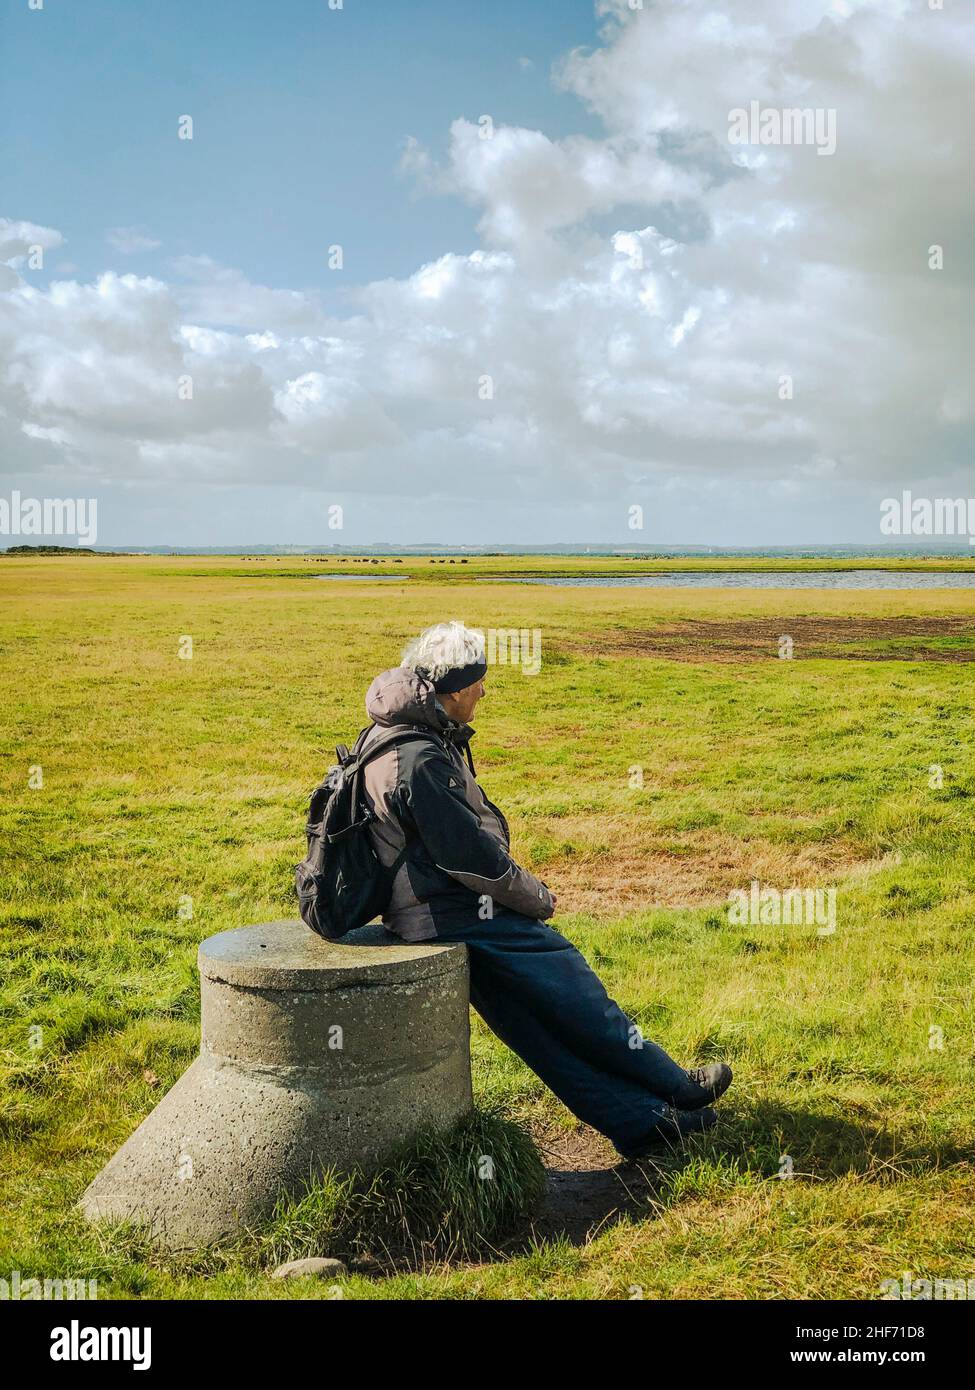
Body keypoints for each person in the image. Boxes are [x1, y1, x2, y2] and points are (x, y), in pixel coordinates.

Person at [359, 620, 732, 1161]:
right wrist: (537, 899)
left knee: (537, 1032)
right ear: (457, 687)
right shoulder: (419, 758)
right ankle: (676, 1085)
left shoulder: (405, 732)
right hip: (453, 911)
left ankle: (643, 1124)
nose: (485, 692)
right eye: (479, 682)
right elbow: (474, 862)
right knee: (576, 993)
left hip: (426, 912)